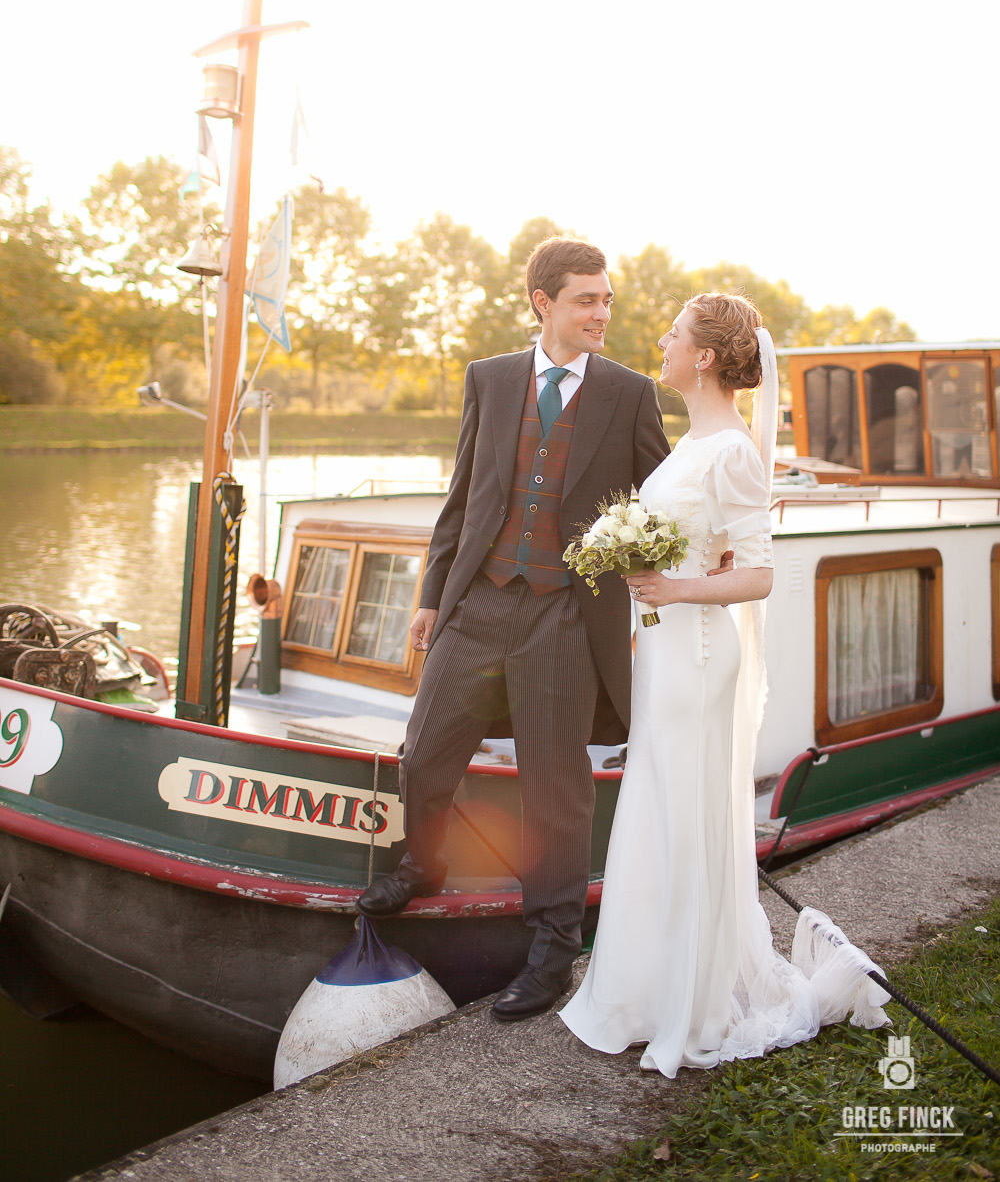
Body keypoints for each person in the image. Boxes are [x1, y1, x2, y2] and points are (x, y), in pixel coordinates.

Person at [560, 292, 889, 1073]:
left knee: (687, 814)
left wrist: (674, 591)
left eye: (673, 336)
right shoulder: (693, 440)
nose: (662, 345)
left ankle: (693, 1002)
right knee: (660, 811)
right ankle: (647, 990)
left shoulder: (734, 450)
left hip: (702, 655)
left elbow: (762, 575)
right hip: (670, 652)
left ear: (703, 358)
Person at [357, 237, 671, 1020]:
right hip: (480, 600)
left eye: (607, 299)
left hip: (567, 612)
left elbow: (664, 502)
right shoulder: (490, 379)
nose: (603, 313)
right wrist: (434, 593)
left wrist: (650, 568)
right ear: (544, 304)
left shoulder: (629, 394)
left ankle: (551, 951)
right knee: (425, 751)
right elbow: (463, 494)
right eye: (586, 300)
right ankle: (423, 863)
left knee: (555, 791)